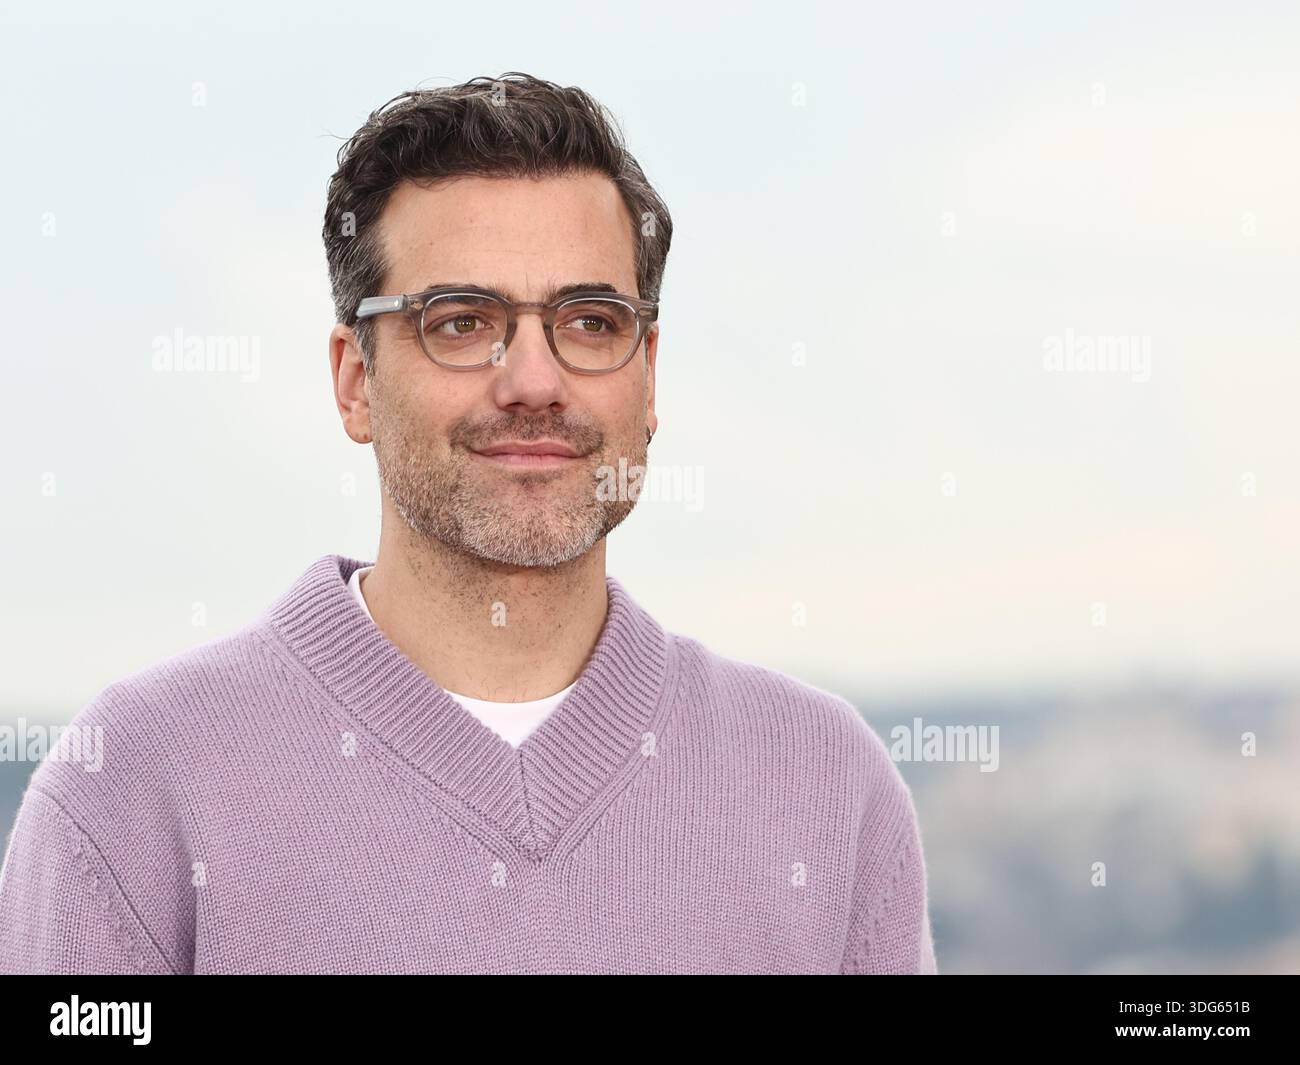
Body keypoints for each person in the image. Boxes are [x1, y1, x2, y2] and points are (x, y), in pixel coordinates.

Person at [0, 72, 937, 974]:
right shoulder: (130, 786)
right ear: (354, 380)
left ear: (649, 375)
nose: (532, 380)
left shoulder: (829, 786)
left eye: (591, 320)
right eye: (459, 321)